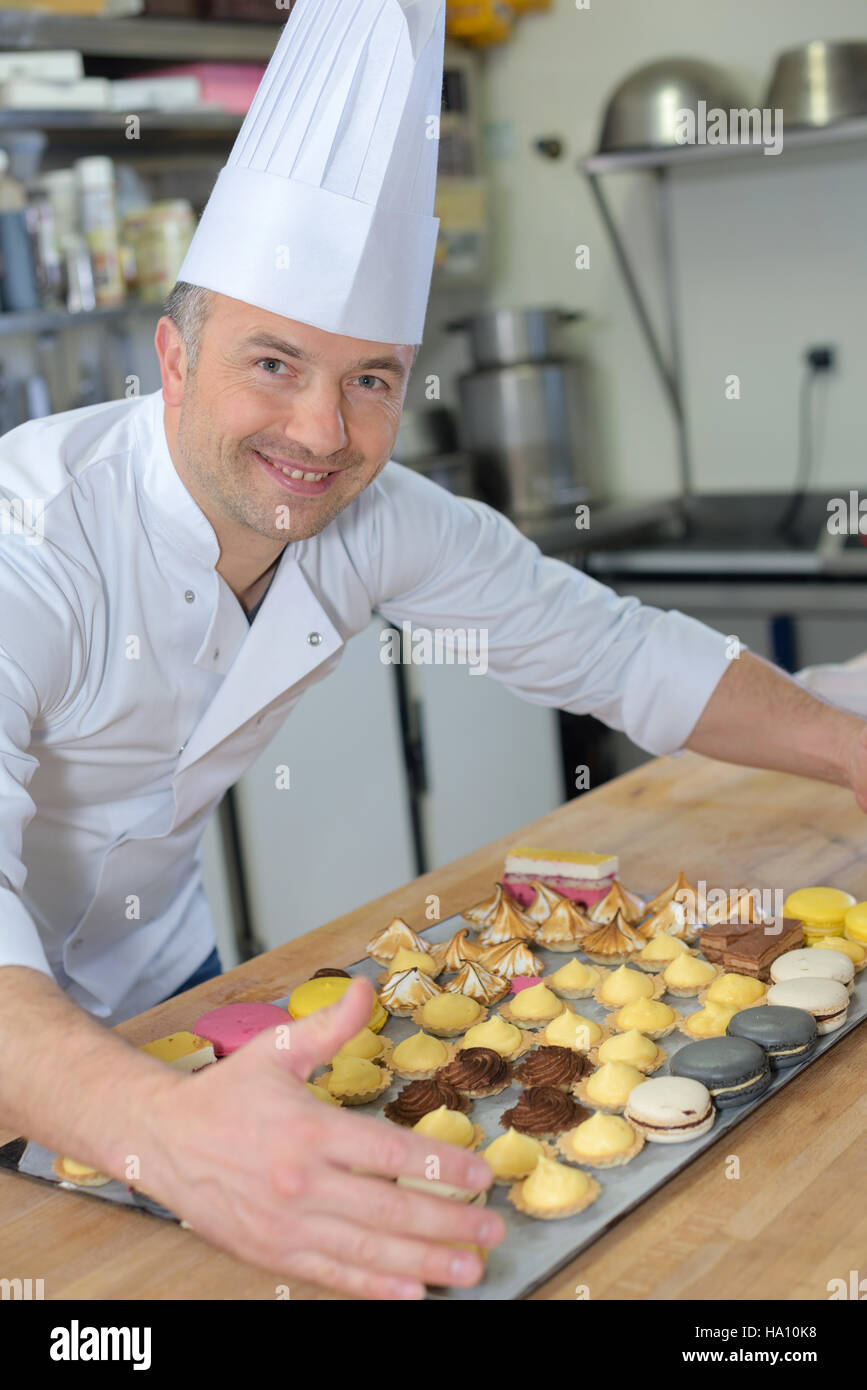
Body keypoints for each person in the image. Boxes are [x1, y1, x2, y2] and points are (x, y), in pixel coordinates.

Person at [1, 0, 866, 1300]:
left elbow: (622, 654)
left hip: (168, 979)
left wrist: (857, 749)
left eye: (372, 379)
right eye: (275, 361)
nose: (321, 429)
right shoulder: (32, 543)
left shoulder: (378, 518)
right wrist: (157, 1130)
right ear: (171, 359)